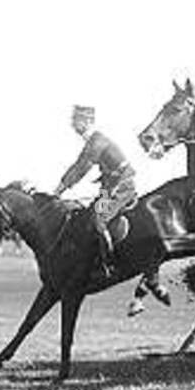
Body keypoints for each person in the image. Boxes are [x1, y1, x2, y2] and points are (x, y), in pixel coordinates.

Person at [54, 105, 137, 277]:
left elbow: (80, 168)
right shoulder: (93, 141)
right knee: (89, 217)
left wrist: (58, 191)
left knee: (99, 220)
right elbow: (79, 166)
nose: (72, 124)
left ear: (87, 122)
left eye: (75, 120)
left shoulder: (97, 142)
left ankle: (110, 265)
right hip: (110, 187)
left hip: (121, 187)